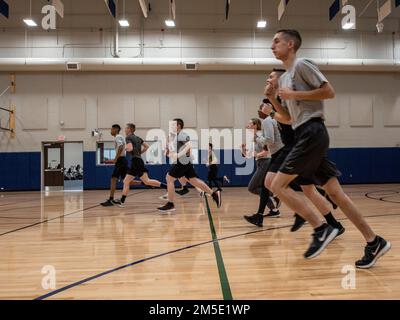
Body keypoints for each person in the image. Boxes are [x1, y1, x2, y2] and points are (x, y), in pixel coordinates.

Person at [266, 29, 390, 267]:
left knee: (276, 185)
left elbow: (328, 92)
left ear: (290, 44)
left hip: (312, 132)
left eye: (277, 41)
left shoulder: (302, 65)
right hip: (303, 132)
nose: (272, 46)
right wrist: (274, 99)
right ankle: (374, 242)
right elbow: (289, 118)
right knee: (335, 194)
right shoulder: (283, 79)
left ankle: (322, 228)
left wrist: (293, 93)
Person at [158, 118, 222, 212]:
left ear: (178, 126)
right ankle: (214, 195)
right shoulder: (177, 136)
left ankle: (170, 204)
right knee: (194, 181)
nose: (171, 127)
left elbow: (189, 146)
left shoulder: (182, 135)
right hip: (185, 161)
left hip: (183, 161)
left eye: (173, 125)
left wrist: (184, 155)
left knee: (169, 178)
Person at [116, 123, 167, 208]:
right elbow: (147, 146)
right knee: (126, 181)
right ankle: (122, 201)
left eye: (126, 128)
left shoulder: (128, 137)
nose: (125, 130)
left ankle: (167, 186)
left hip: (136, 161)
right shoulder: (138, 138)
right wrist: (139, 153)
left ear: (130, 129)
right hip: (137, 161)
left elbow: (130, 148)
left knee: (147, 181)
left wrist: (125, 148)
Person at [100, 124, 129, 206]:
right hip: (122, 160)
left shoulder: (118, 137)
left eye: (111, 129)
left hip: (121, 160)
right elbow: (122, 148)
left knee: (113, 178)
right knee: (127, 180)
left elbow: (120, 147)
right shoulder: (120, 137)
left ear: (116, 129)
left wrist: (116, 158)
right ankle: (147, 183)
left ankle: (111, 199)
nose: (110, 131)